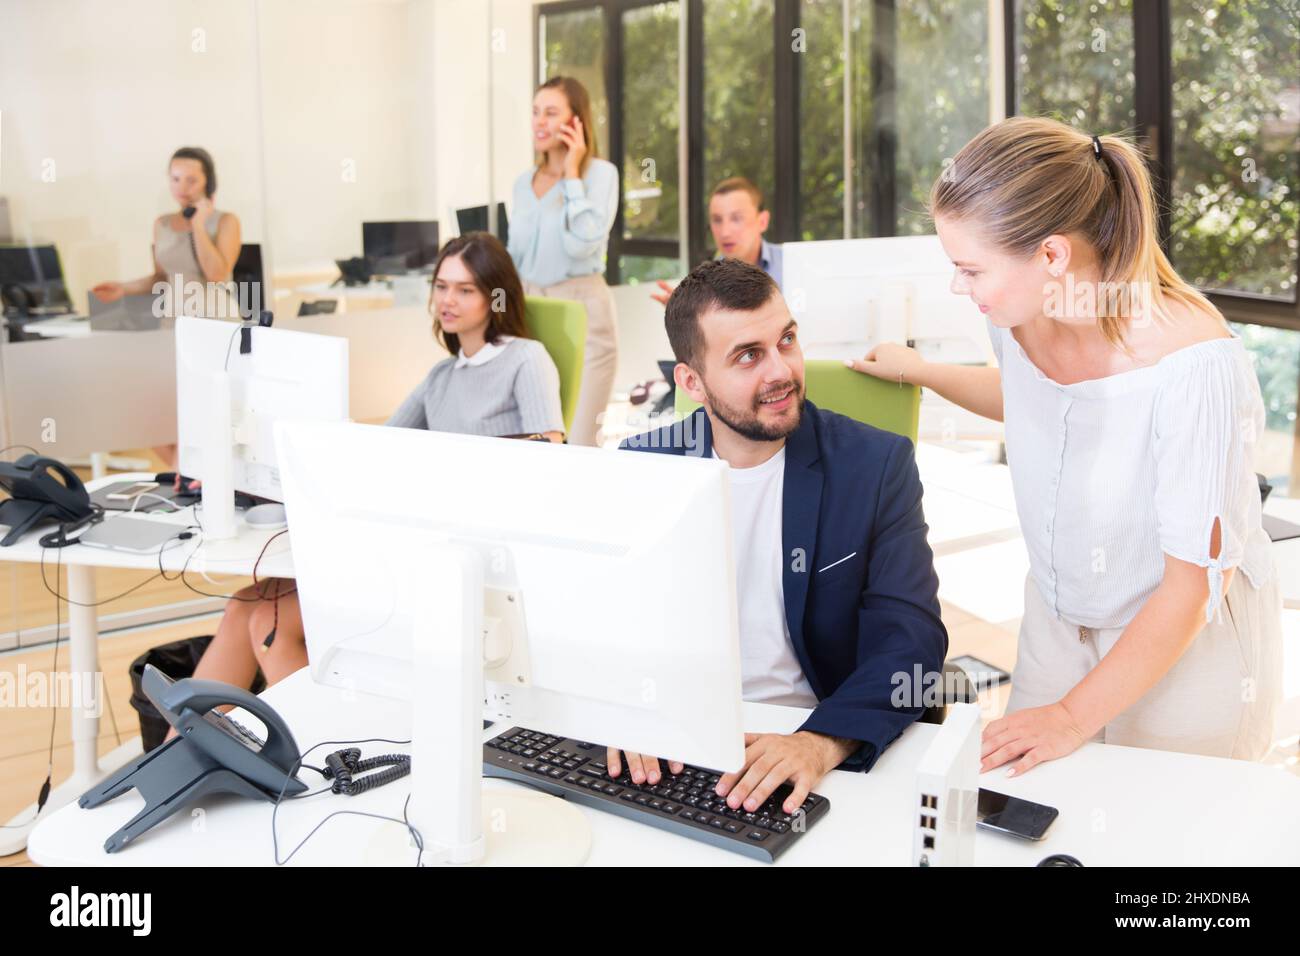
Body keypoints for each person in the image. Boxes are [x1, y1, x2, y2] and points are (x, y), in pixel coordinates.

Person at [848, 116, 1283, 773]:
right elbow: (1035, 401)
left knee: (1161, 854)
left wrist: (1073, 718)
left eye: (969, 268)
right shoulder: (1019, 313)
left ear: (1052, 255)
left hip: (1185, 650)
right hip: (1058, 625)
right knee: (1032, 817)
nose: (957, 287)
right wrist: (920, 371)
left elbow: (1190, 589)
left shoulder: (1193, 362)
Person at [615, 257, 947, 817]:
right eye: (748, 355)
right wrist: (624, 708)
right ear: (691, 382)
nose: (781, 371)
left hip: (809, 741)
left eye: (786, 340)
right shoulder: (644, 469)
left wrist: (822, 742)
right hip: (676, 744)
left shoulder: (875, 466)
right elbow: (609, 624)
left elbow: (912, 643)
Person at [190, 232, 565, 691]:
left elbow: (551, 458)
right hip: (421, 538)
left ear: (497, 296)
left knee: (268, 625)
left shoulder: (526, 360)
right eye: (441, 286)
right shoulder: (443, 375)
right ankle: (181, 752)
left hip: (471, 558)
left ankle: (317, 756)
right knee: (241, 608)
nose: (447, 300)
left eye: (465, 289)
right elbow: (374, 448)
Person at [508, 75, 619, 447]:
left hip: (584, 316)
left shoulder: (600, 175)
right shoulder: (524, 183)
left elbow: (584, 245)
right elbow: (516, 256)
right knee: (537, 436)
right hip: (531, 314)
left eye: (551, 112)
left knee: (582, 437)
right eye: (535, 112)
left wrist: (572, 175)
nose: (539, 121)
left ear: (576, 122)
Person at [92, 146, 242, 320]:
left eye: (191, 180)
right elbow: (162, 278)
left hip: (216, 319)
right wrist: (123, 288)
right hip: (175, 319)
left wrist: (198, 226)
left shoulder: (226, 221)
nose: (182, 187)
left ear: (208, 183)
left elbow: (216, 275)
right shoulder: (162, 224)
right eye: (175, 179)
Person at [650, 177, 783, 306]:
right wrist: (686, 316)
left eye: (736, 218)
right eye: (717, 220)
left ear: (762, 221)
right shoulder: (704, 285)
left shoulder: (794, 264)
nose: (725, 232)